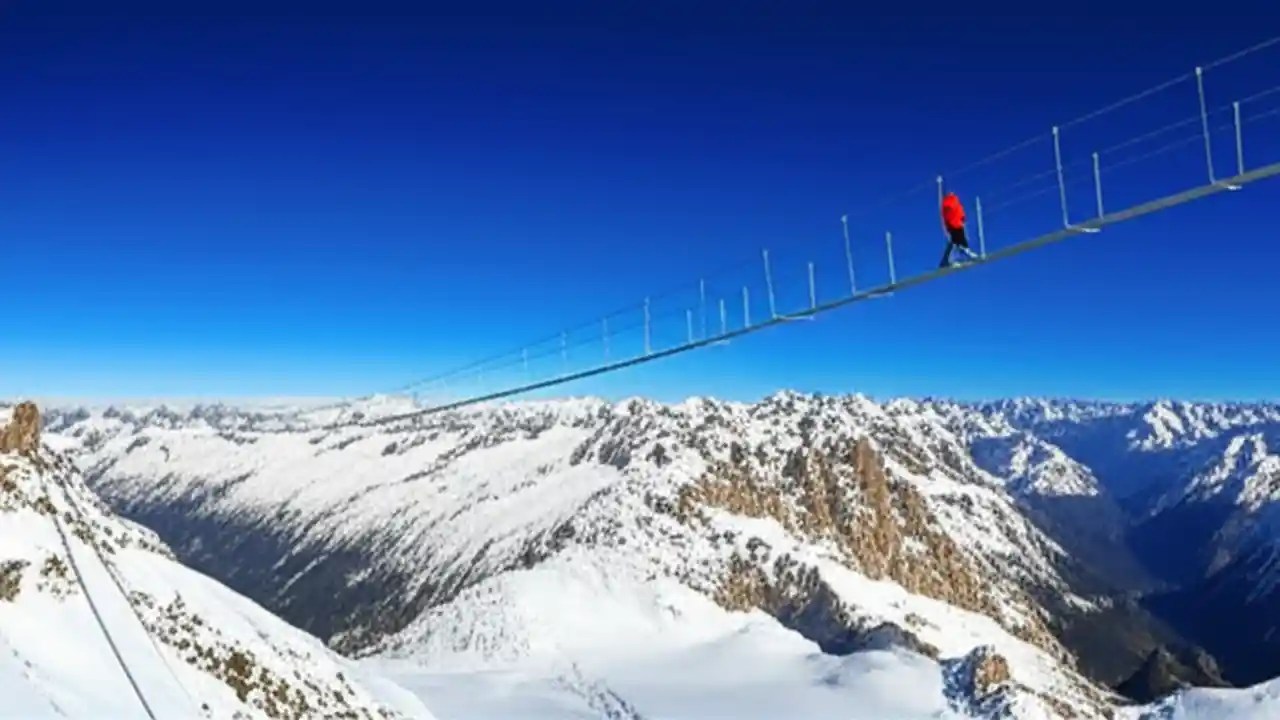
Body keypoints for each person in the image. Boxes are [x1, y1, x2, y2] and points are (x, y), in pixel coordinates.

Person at [939, 191, 980, 267]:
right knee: (956, 241)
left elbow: (956, 212)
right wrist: (961, 219)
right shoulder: (952, 201)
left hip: (955, 223)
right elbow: (956, 212)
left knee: (957, 240)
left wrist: (961, 219)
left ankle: (964, 252)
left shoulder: (951, 202)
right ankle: (949, 260)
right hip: (955, 223)